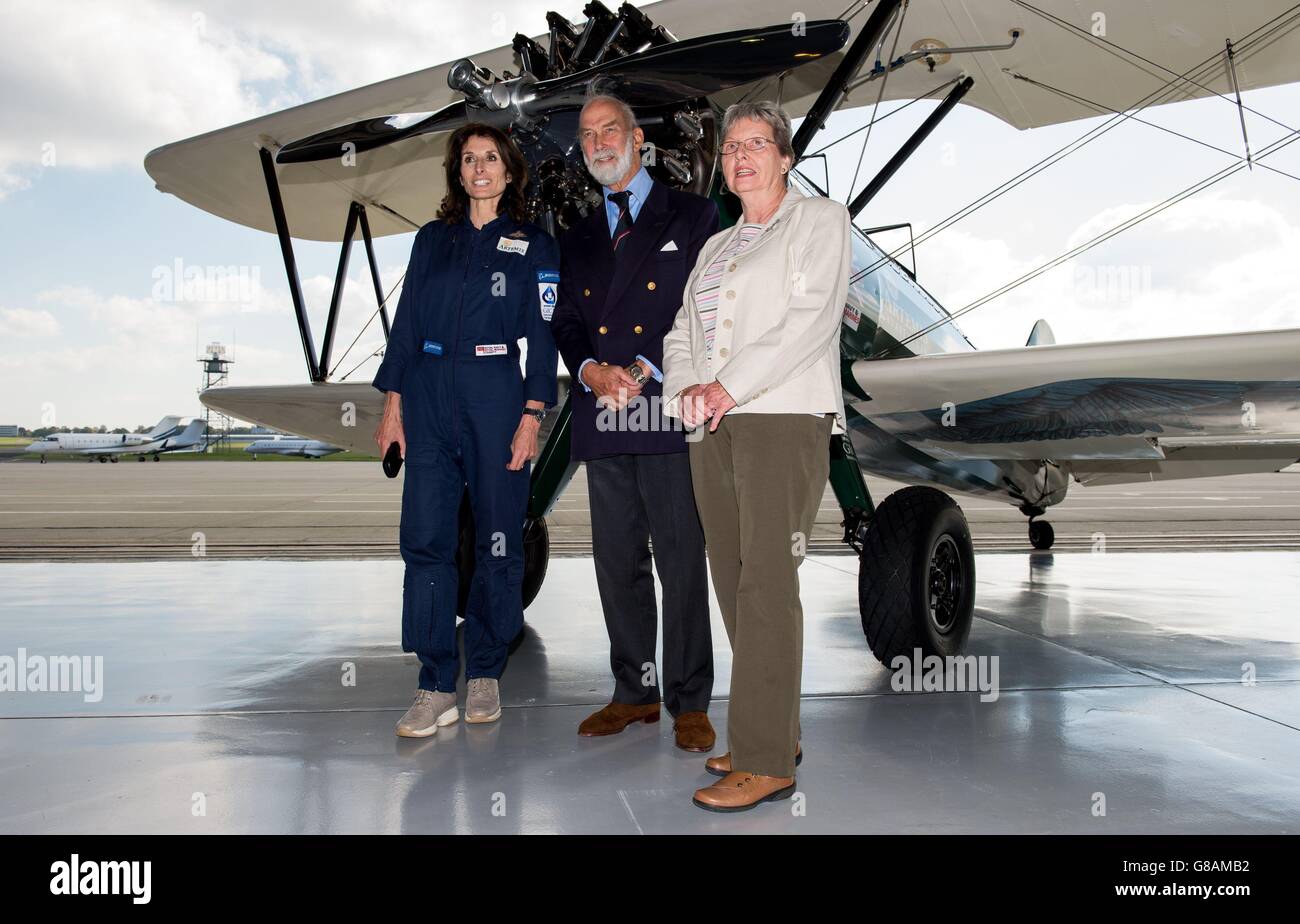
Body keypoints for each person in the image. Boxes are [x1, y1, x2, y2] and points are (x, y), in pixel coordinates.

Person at [662, 101, 850, 811]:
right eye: (732, 146)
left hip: (781, 416)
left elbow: (810, 321)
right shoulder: (717, 246)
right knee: (734, 578)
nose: (741, 156)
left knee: (768, 581)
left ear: (785, 157)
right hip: (712, 423)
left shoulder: (819, 222)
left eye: (757, 144)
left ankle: (769, 761)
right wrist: (687, 386)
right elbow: (682, 330)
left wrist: (727, 385)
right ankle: (771, 726)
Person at [373, 123, 559, 737]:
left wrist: (532, 415)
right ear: (458, 171)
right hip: (428, 395)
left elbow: (542, 337)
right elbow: (404, 325)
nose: (480, 169)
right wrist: (394, 404)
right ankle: (433, 682)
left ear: (509, 171)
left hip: (496, 397)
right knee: (426, 540)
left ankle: (483, 671)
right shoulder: (432, 241)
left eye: (492, 159)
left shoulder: (533, 244)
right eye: (470, 159)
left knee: (498, 543)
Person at [550, 93, 721, 751]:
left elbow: (699, 310)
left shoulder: (694, 214)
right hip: (604, 406)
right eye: (587, 134)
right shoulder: (580, 237)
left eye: (609, 130)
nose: (597, 142)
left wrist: (645, 368)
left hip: (663, 401)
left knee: (680, 559)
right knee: (617, 560)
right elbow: (565, 320)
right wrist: (591, 371)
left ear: (637, 138)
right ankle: (634, 691)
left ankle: (689, 700)